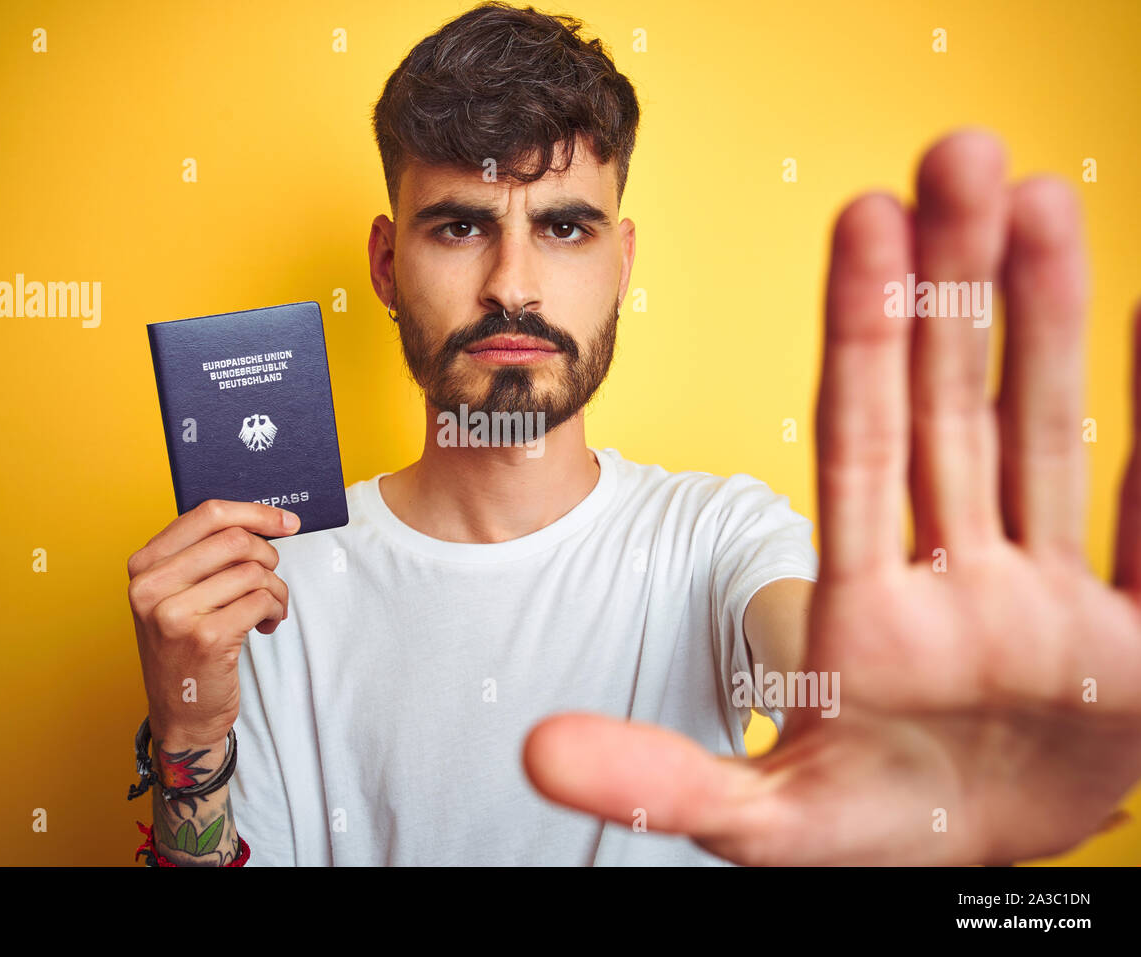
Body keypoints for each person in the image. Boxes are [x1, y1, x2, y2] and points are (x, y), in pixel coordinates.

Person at [125, 2, 1141, 865]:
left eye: (563, 227)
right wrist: (189, 738)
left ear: (621, 261)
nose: (512, 285)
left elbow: (798, 646)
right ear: (387, 265)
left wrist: (893, 726)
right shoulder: (266, 582)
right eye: (461, 225)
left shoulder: (716, 536)